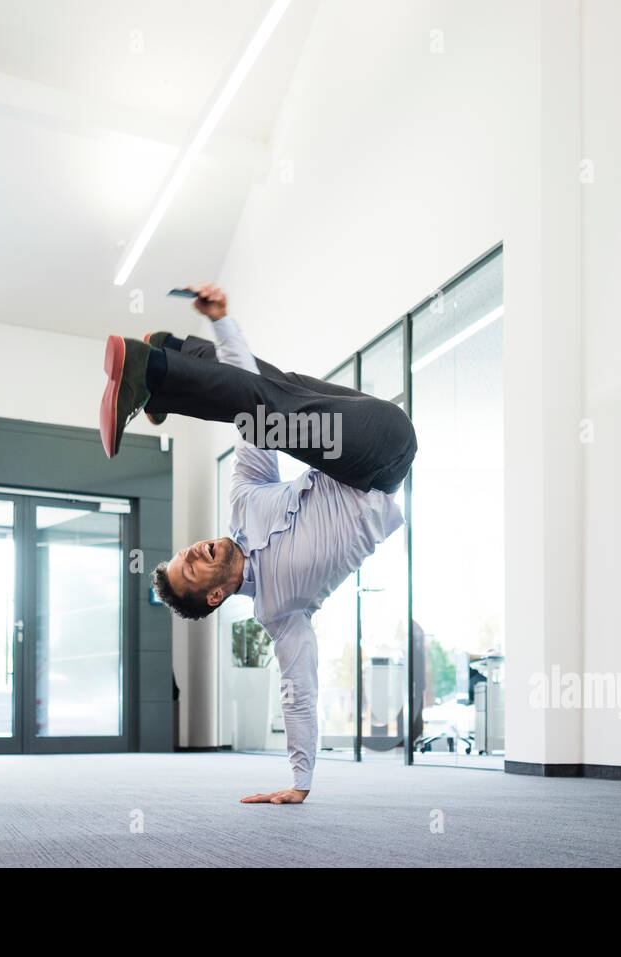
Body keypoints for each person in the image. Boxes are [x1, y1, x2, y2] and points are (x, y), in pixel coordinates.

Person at [98, 283, 417, 803]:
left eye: (185, 552)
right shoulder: (282, 612)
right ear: (214, 597)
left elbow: (249, 393)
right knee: (270, 410)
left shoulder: (245, 500)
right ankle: (152, 372)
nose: (195, 549)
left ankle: (168, 354)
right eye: (191, 568)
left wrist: (221, 321)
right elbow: (300, 691)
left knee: (265, 398)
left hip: (357, 422)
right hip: (380, 460)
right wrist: (301, 781)